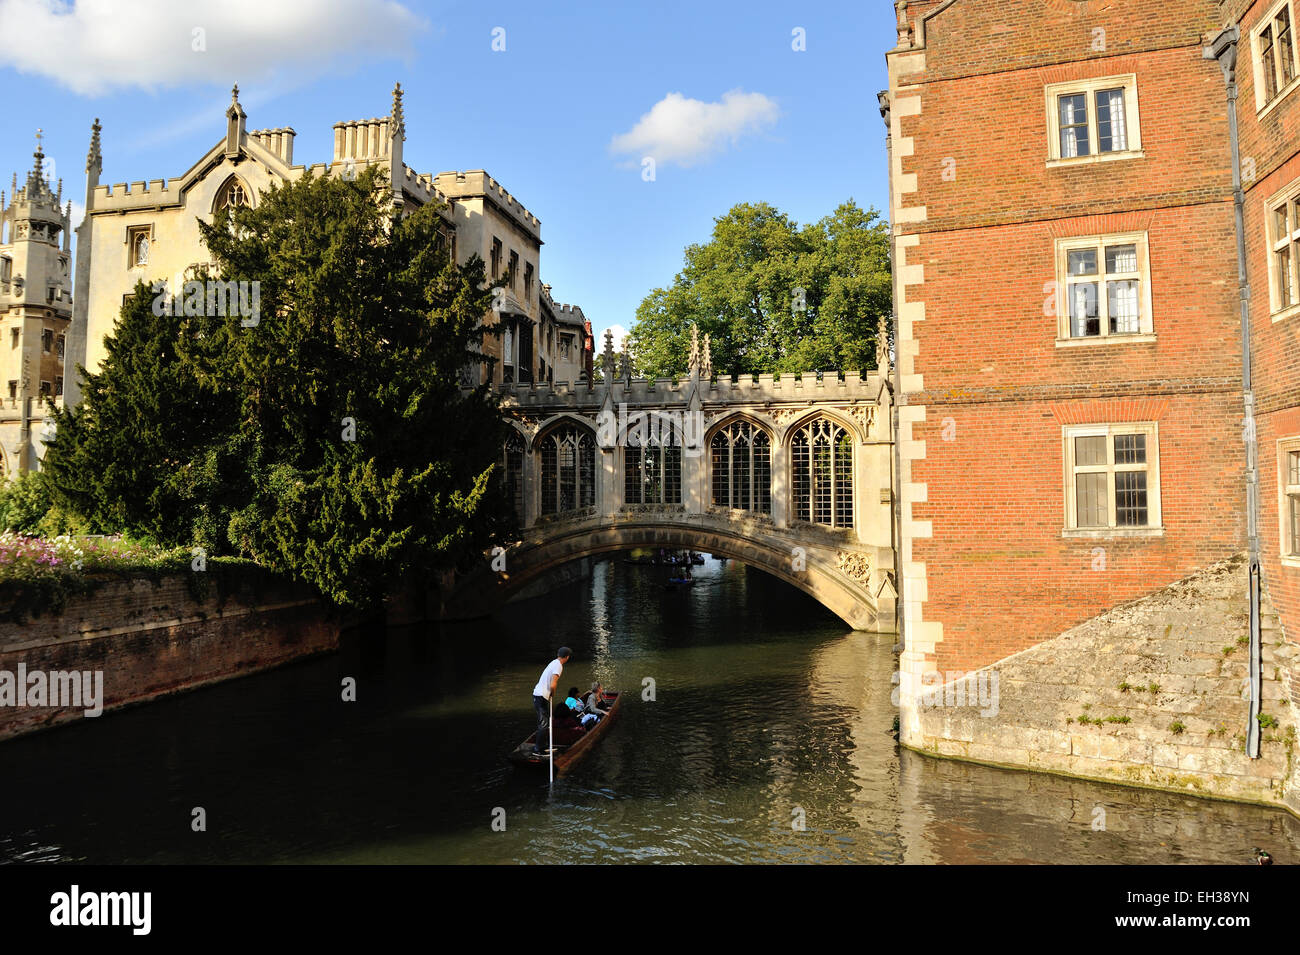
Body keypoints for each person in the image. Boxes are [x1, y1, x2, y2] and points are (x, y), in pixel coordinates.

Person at [531, 647, 572, 756]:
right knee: (543, 724)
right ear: (567, 657)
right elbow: (553, 684)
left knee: (545, 722)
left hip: (539, 695)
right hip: (541, 696)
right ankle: (537, 750)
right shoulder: (558, 666)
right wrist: (552, 693)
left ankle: (543, 745)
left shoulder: (554, 662)